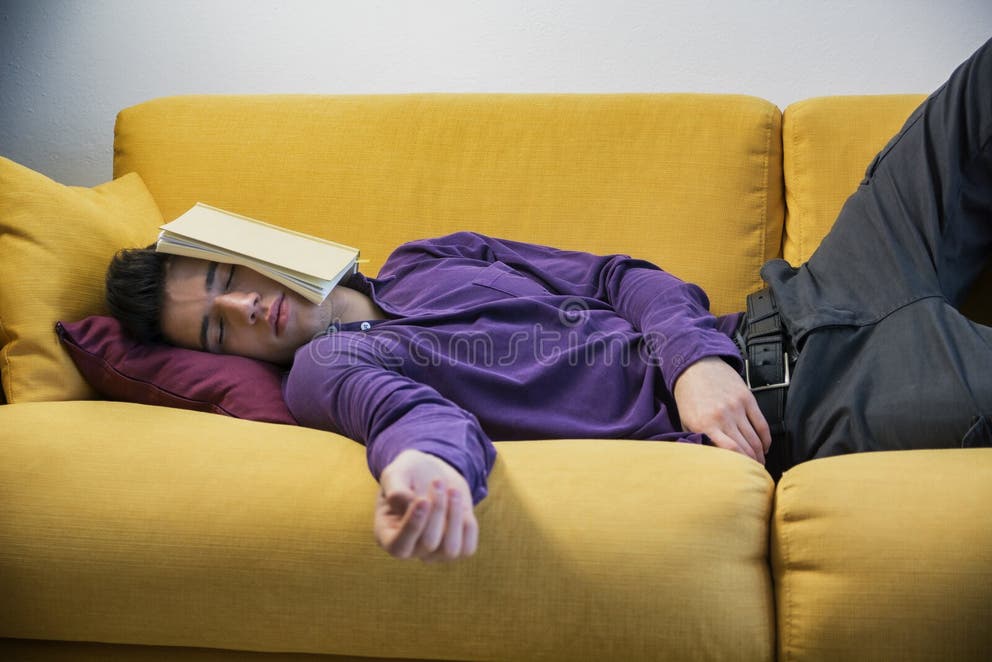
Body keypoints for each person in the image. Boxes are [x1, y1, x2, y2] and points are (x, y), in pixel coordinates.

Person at [106, 38, 992, 563]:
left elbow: (618, 276)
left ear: (250, 252)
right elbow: (410, 418)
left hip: (808, 297)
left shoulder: (427, 257)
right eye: (215, 329)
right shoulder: (329, 366)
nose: (244, 309)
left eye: (227, 281)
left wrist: (694, 361)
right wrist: (425, 470)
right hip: (818, 404)